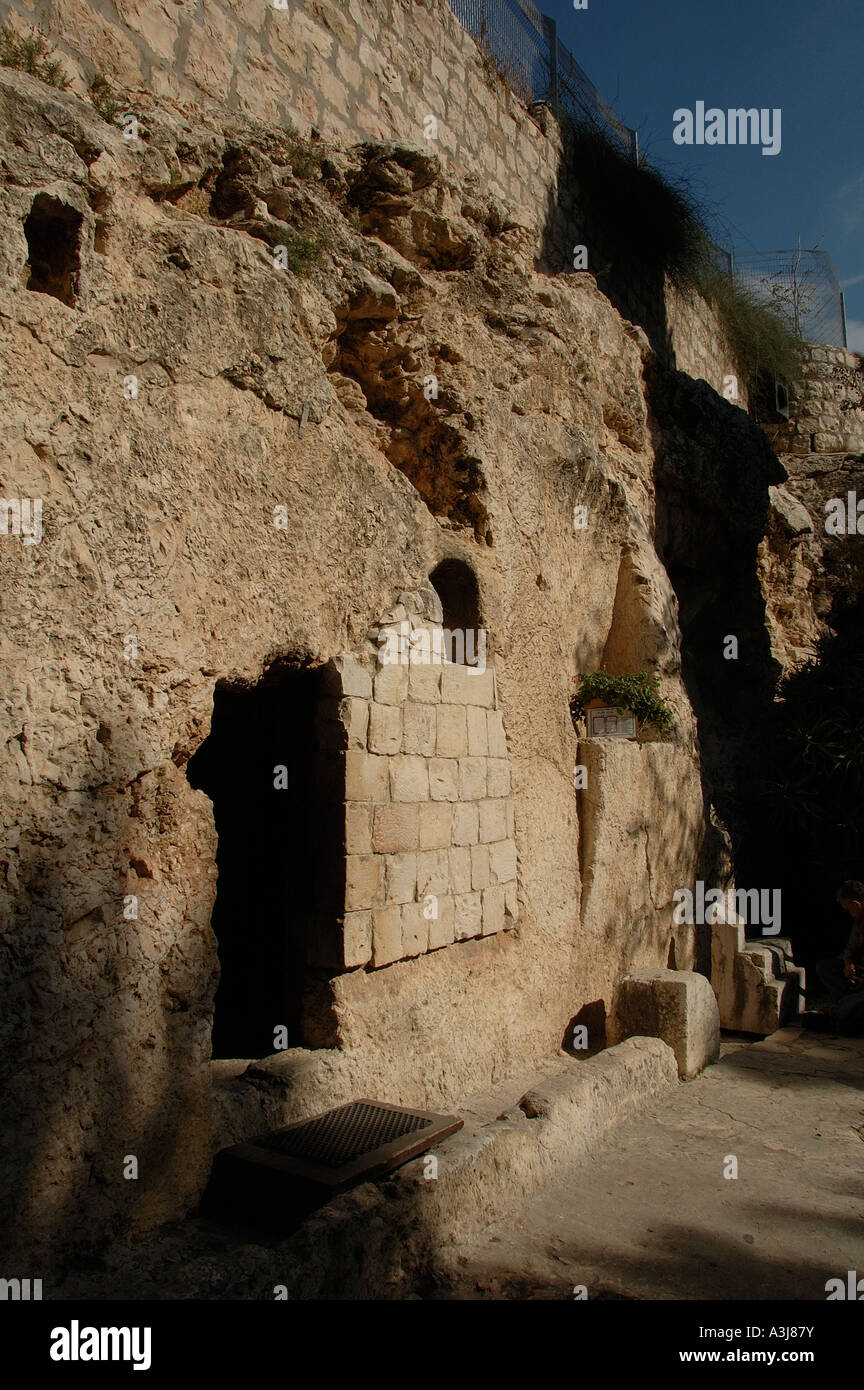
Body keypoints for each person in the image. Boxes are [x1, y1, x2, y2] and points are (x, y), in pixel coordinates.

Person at [810, 880, 864, 1033]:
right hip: (859, 974)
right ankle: (847, 1007)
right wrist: (848, 963)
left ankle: (844, 1011)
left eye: (849, 909)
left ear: (856, 904)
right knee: (825, 967)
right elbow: (851, 947)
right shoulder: (859, 921)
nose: (849, 913)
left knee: (849, 1006)